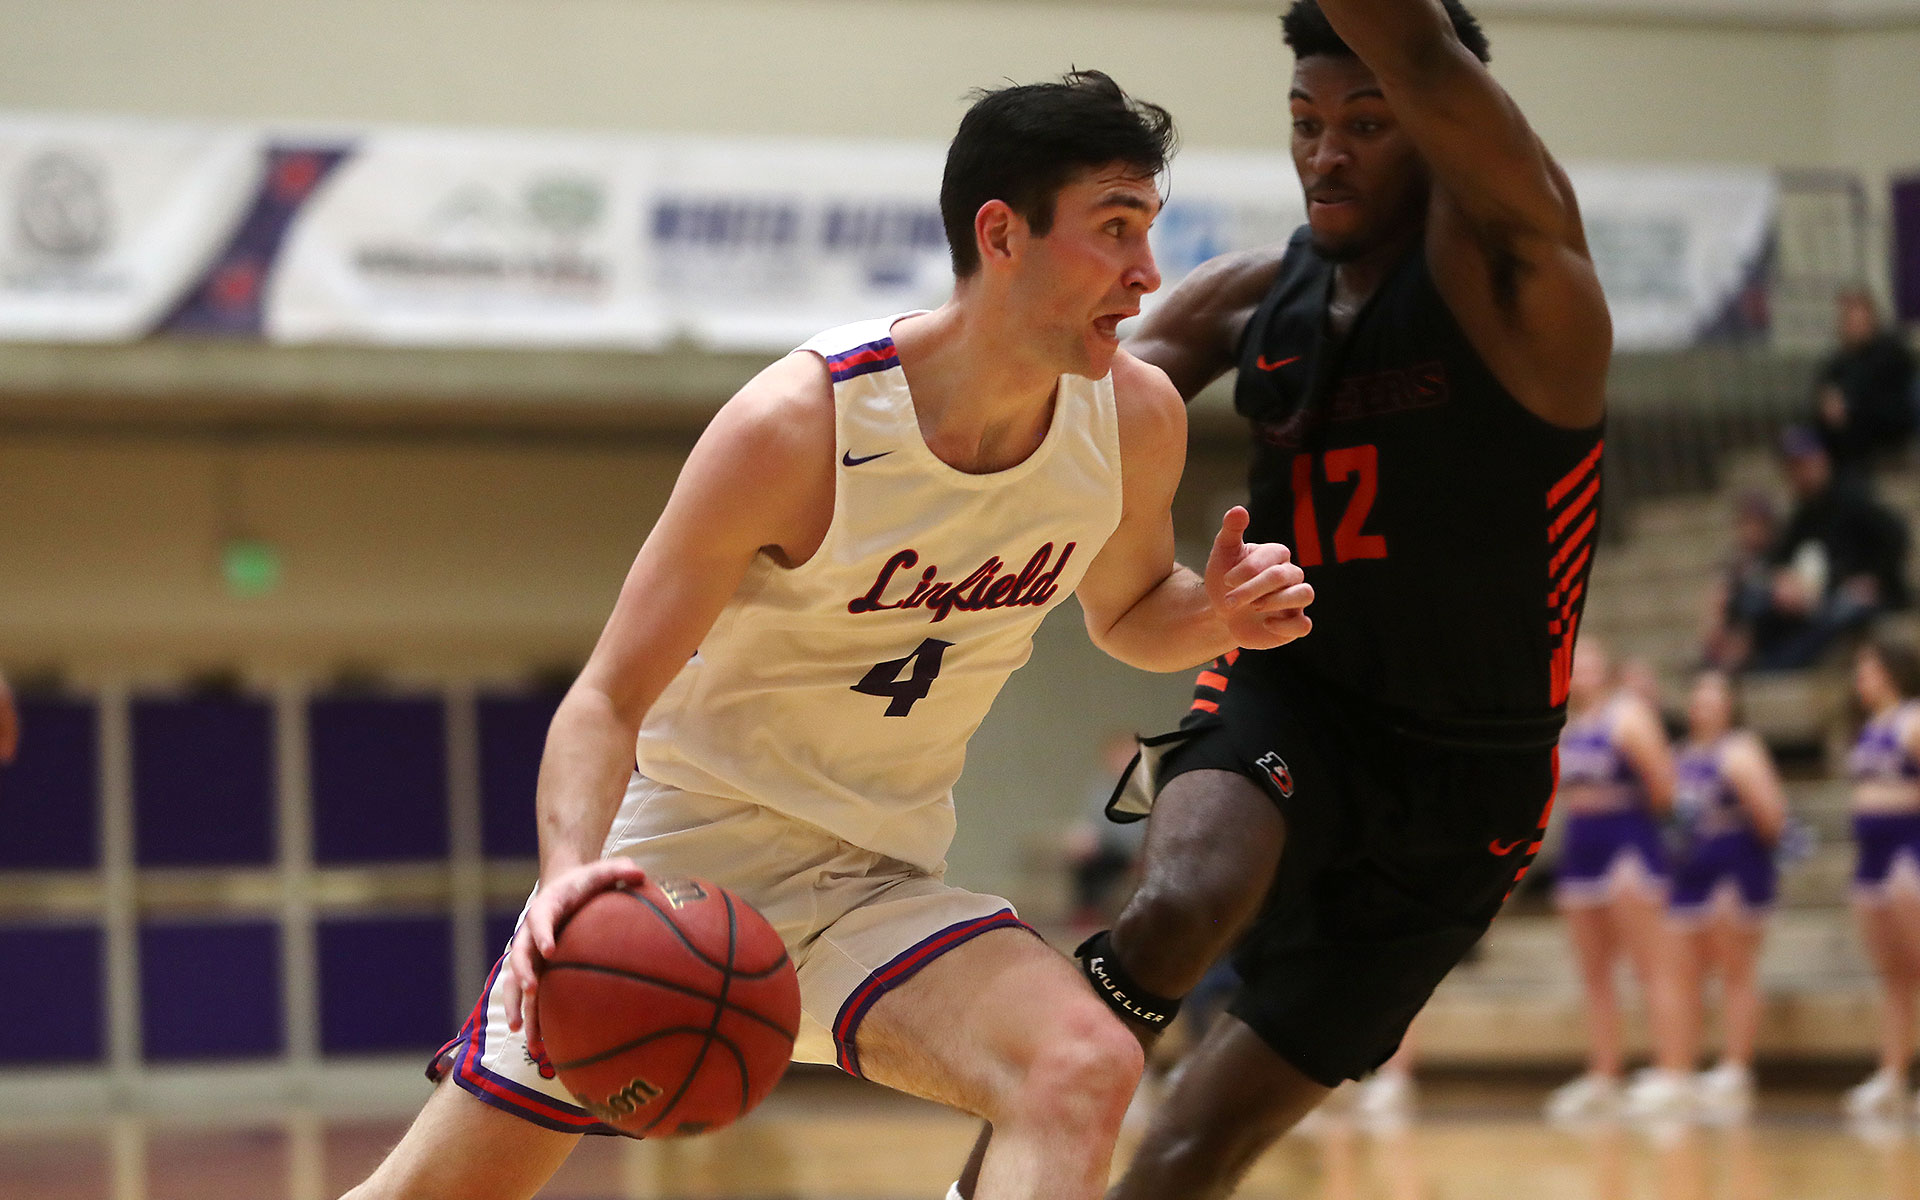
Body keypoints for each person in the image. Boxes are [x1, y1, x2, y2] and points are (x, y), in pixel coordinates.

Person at [338, 71, 1317, 1200]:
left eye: (1150, 232)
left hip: (875, 881)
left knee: (1080, 1063)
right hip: (684, 869)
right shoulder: (799, 426)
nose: (1147, 274)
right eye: (1113, 230)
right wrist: (570, 877)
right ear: (1001, 233)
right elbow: (606, 696)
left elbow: (1133, 618)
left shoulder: (1135, 420)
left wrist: (1220, 616)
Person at [955, 2, 1611, 1194]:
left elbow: (1420, 50)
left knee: (1197, 1148)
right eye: (1307, 123)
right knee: (1180, 904)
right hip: (1291, 688)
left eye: (1369, 122)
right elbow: (1071, 411)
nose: (1328, 152)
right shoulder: (1249, 299)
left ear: (1443, 124)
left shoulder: (1528, 289)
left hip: (1475, 777)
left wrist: (1422, 68)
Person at [1545, 640, 1689, 1121]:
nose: (1581, 672)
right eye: (1575, 664)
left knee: (1651, 966)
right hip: (1580, 847)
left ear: (1605, 669)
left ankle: (1672, 1073)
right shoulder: (1566, 725)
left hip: (1629, 844)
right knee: (1594, 973)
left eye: (1589, 664)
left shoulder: (1628, 715)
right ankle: (1605, 1074)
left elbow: (1665, 786)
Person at [1665, 668, 1788, 1121]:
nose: (1705, 704)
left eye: (1716, 697)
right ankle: (1683, 1069)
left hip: (1735, 865)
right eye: (1699, 696)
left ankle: (1735, 1067)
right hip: (1689, 869)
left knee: (1735, 970)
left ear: (1731, 704)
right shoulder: (1678, 753)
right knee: (1685, 975)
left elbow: (1773, 819)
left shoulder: (1741, 749)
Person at [1748, 426, 1910, 670]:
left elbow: (1896, 535)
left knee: (1843, 609)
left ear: (1821, 459)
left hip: (1863, 596)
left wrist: (1874, 579)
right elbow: (1779, 557)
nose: (1799, 473)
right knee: (1757, 599)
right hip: (1819, 597)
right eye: (1792, 466)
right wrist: (1783, 579)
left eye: (1803, 463)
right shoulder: (1805, 512)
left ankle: (1781, 662)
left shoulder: (1852, 497)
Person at [1841, 638, 1920, 1121]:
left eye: (1867, 667)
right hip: (1871, 854)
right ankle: (1893, 1073)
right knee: (1893, 973)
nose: (1860, 676)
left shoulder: (1914, 718)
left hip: (1909, 849)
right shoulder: (1870, 726)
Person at [1812, 288, 1916, 480]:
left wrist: (1845, 402)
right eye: (1849, 321)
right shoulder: (1841, 358)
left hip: (1886, 420)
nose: (1853, 326)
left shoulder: (1889, 349)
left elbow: (1871, 384)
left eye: (1858, 320)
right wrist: (1830, 399)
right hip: (1848, 420)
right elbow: (1826, 383)